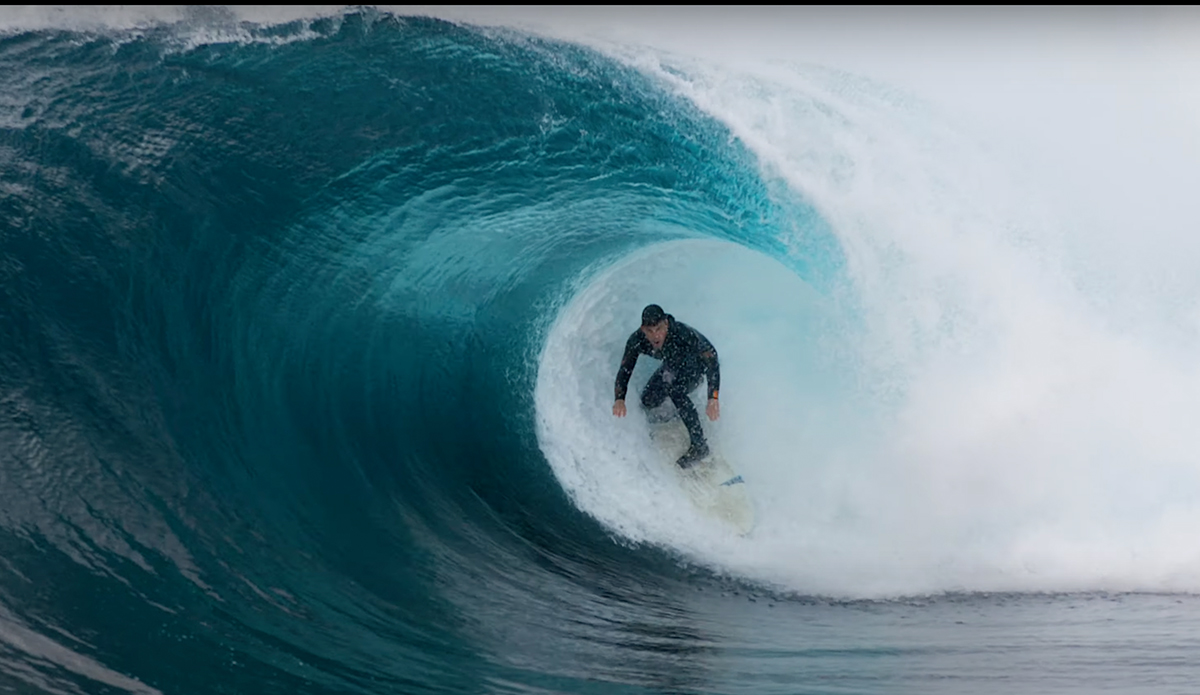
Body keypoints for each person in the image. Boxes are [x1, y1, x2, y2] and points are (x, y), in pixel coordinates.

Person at [612, 304, 720, 468]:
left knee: (675, 390)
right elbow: (625, 368)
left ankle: (700, 446)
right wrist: (619, 398)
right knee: (648, 400)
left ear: (666, 324)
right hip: (673, 366)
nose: (655, 336)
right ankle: (681, 415)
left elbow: (711, 357)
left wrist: (713, 397)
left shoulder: (681, 333)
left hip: (696, 367)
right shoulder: (637, 340)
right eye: (650, 331)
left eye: (659, 329)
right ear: (643, 329)